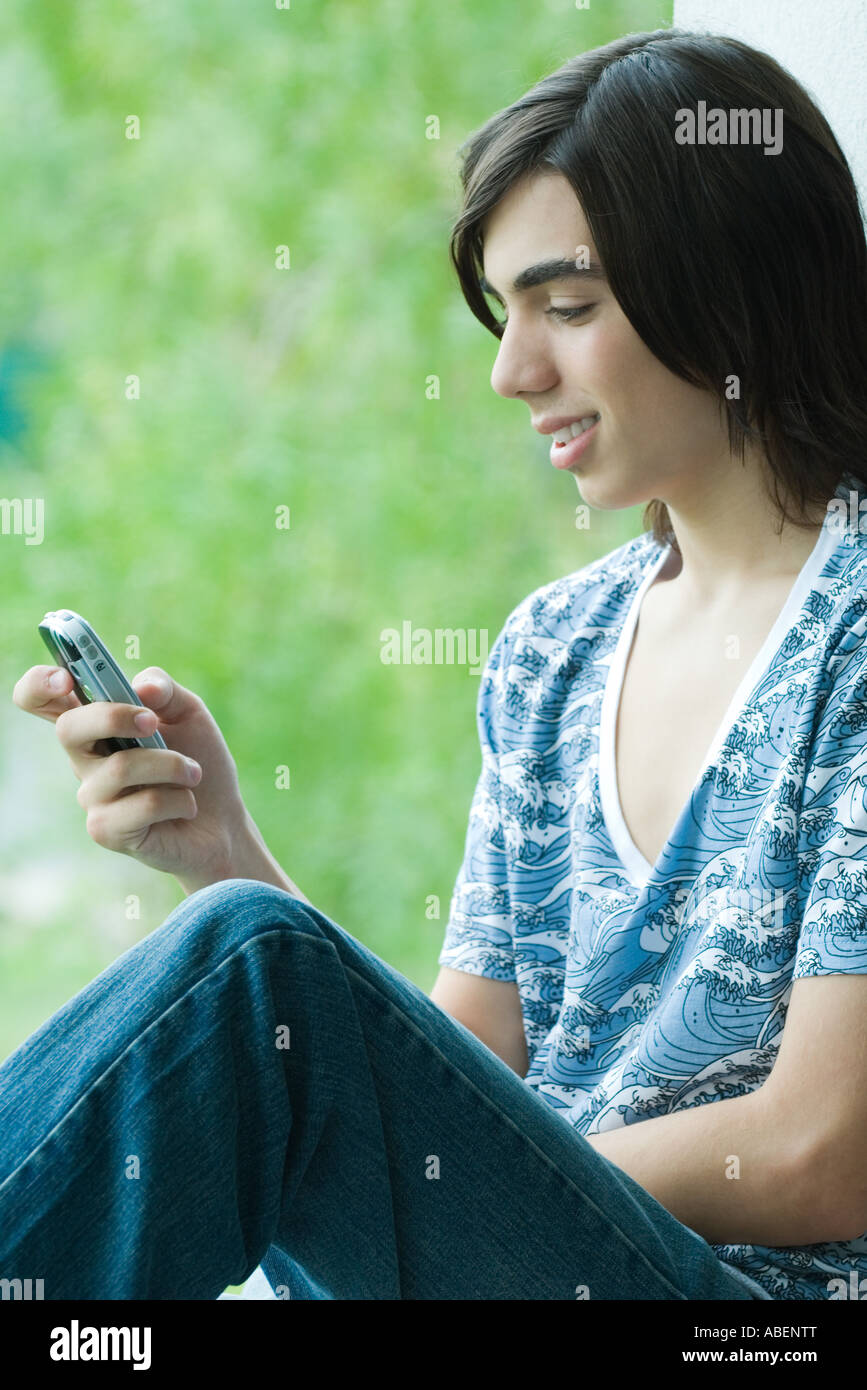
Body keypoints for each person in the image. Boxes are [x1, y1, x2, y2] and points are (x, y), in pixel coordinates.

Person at [3, 26, 866, 1301]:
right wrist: (223, 850)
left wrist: (446, 1147)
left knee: (256, 961)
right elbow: (459, 1070)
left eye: (567, 309)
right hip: (534, 1267)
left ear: (731, 286)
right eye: (507, 317)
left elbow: (818, 1151)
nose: (516, 373)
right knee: (251, 944)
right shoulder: (551, 653)